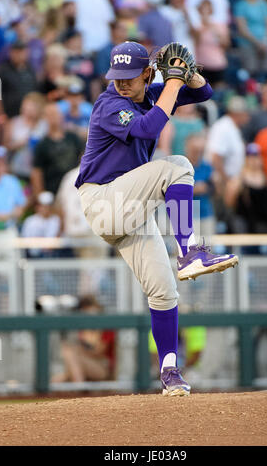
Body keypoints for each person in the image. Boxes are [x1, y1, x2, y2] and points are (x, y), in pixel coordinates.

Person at [75, 41, 238, 396]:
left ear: (148, 72)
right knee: (177, 165)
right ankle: (191, 250)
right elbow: (149, 129)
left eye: (130, 77)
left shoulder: (151, 92)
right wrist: (174, 82)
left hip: (130, 209)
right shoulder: (109, 103)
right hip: (102, 200)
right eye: (117, 77)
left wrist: (186, 72)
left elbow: (205, 92)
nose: (122, 83)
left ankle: (169, 373)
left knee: (164, 291)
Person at [52, 295, 115, 383]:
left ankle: (78, 387)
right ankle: (78, 385)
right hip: (87, 365)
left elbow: (99, 352)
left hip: (105, 368)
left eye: (90, 309)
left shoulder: (107, 325)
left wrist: (78, 350)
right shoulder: (84, 328)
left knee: (69, 354)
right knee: (67, 353)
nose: (89, 313)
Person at [31, 102, 84, 196]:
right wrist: (41, 197)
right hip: (53, 191)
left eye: (56, 113)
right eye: (50, 115)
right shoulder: (42, 145)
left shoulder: (73, 138)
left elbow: (84, 159)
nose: (54, 117)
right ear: (45, 118)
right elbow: (37, 173)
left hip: (73, 189)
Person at [21, 190, 61, 258]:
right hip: (32, 255)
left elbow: (53, 242)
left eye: (47, 206)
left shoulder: (56, 220)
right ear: (37, 207)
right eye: (42, 206)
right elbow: (25, 241)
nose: (45, 208)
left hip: (50, 255)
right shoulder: (30, 221)